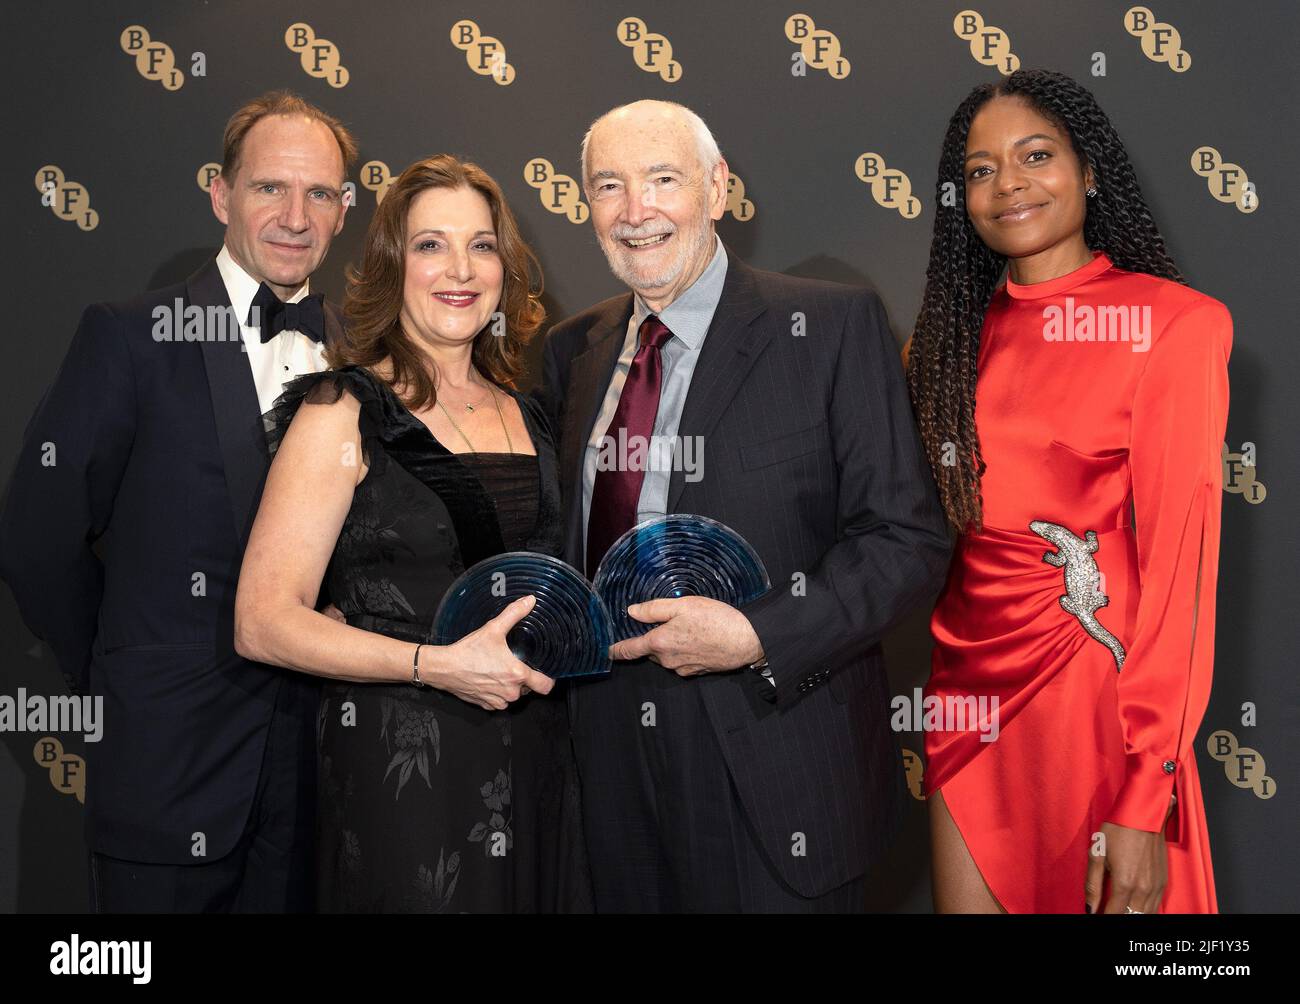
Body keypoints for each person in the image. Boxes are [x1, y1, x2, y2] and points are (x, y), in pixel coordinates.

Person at [536, 99, 951, 912]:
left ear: (719, 189)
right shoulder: (570, 351)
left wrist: (759, 634)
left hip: (774, 750)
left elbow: (907, 541)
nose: (636, 211)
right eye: (609, 187)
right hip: (610, 761)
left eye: (663, 179)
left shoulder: (831, 326)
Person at [0, 91, 356, 911]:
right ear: (221, 194)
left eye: (320, 194)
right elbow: (33, 538)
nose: (296, 217)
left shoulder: (364, 357)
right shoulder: (127, 339)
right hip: (164, 767)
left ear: (344, 210)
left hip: (319, 782)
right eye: (271, 188)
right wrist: (123, 663)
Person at [905, 68, 1229, 914]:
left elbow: (1179, 577)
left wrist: (1147, 789)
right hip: (968, 697)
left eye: (1035, 155)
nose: (1008, 183)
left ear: (1089, 171)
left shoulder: (1174, 324)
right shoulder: (942, 346)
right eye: (980, 169)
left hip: (1097, 700)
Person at [234, 154, 592, 913]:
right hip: (408, 772)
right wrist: (436, 664)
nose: (459, 268)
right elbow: (263, 622)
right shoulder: (343, 409)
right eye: (431, 244)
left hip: (541, 766)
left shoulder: (529, 413)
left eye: (482, 244)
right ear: (393, 264)